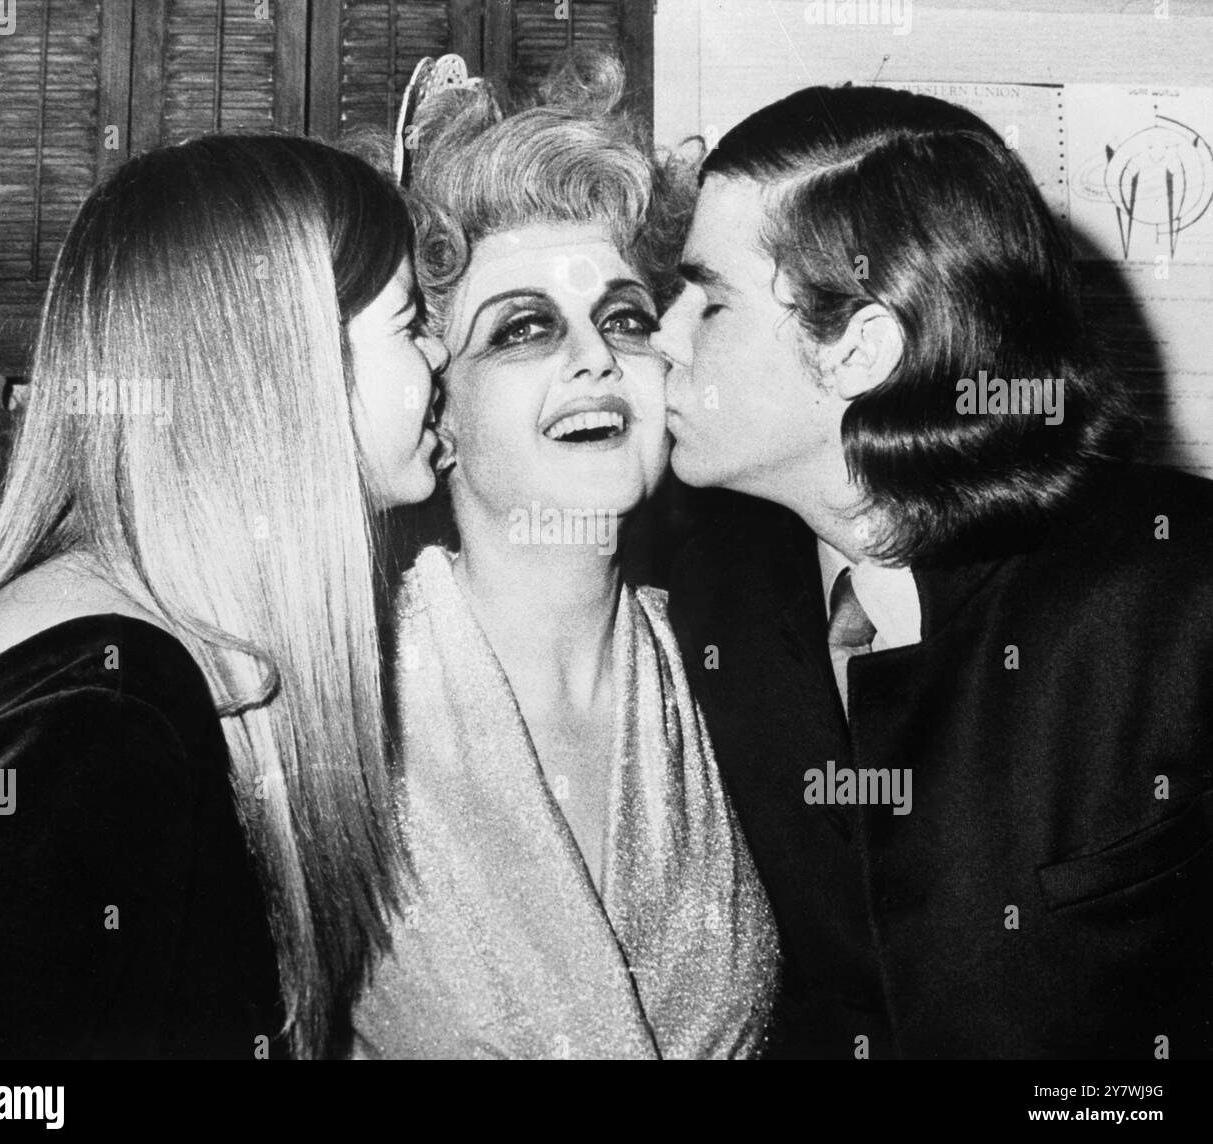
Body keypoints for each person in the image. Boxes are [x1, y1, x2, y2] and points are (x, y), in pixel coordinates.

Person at [654, 84, 1213, 1059]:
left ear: (859, 349)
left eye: (708, 301)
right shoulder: (693, 601)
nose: (660, 335)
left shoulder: (1178, 589)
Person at [0, 134, 448, 1059]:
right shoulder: (105, 721)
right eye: (408, 322)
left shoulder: (133, 651)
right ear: (288, 371)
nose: (440, 353)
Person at [349, 53, 778, 1059]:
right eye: (524, 329)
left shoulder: (745, 672)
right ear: (436, 405)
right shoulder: (344, 699)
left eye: (622, 318)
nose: (594, 359)